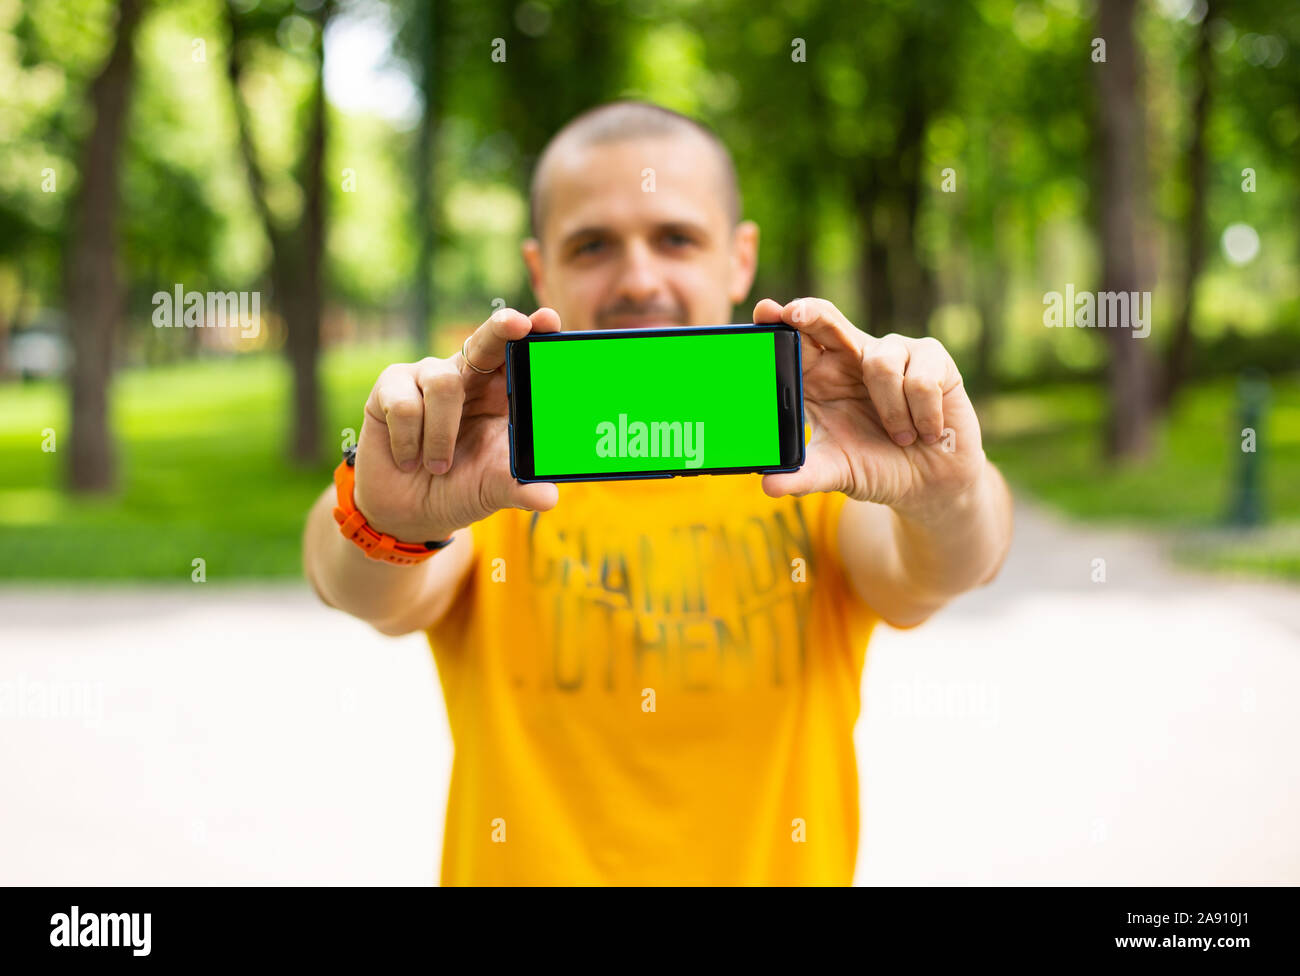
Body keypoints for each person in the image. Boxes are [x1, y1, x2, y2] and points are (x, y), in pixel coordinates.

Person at [303, 100, 1014, 885]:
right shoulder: (483, 460)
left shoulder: (821, 457)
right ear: (541, 272)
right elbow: (366, 590)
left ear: (739, 259)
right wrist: (388, 520)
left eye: (676, 238)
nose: (639, 278)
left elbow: (934, 573)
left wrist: (947, 495)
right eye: (593, 245)